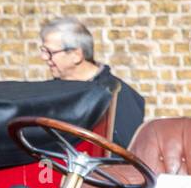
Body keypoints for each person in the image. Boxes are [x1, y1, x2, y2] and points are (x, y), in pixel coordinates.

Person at [39, 17, 145, 147]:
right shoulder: (49, 92)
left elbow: (125, 153)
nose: (44, 58)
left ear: (76, 55)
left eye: (50, 52)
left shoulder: (116, 95)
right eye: (43, 51)